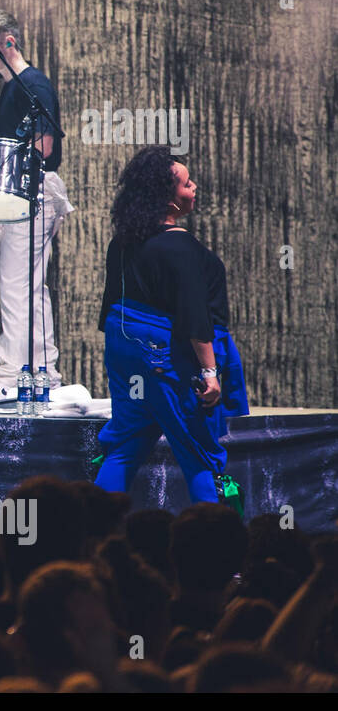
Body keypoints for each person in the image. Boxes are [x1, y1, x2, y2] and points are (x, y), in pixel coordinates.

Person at [94, 146, 248, 504]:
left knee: (126, 445)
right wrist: (210, 371)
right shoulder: (181, 247)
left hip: (126, 352)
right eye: (186, 183)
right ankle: (213, 551)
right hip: (167, 357)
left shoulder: (122, 243)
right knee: (199, 453)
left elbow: (111, 306)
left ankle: (93, 535)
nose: (194, 187)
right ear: (167, 198)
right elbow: (195, 315)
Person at [0, 9, 73, 396]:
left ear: (7, 42)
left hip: (30, 190)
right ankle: (37, 372)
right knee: (23, 286)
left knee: (19, 287)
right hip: (16, 192)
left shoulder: (33, 84)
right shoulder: (15, 87)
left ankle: (18, 376)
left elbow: (44, 148)